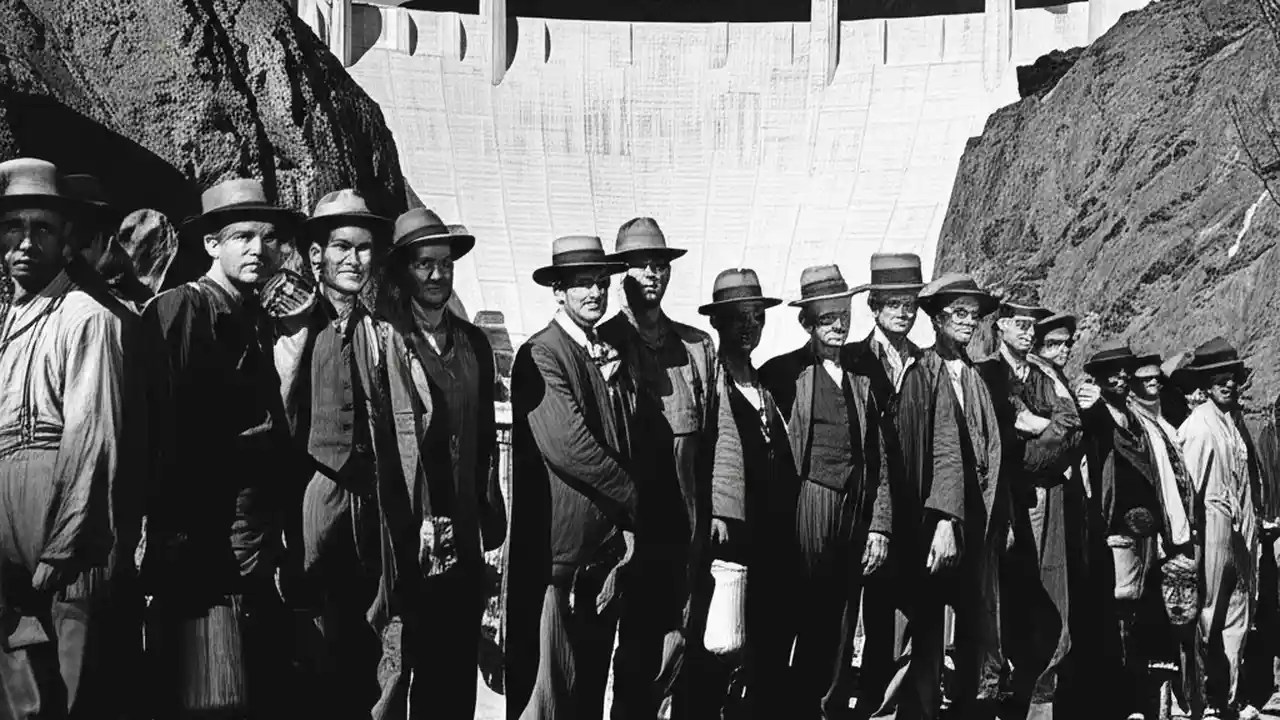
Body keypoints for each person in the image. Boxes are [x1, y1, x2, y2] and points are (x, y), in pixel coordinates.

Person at [140, 177, 305, 719]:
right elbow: (162, 437)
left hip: (249, 556)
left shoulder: (256, 320)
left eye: (267, 236)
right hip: (202, 557)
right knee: (212, 698)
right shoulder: (180, 312)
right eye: (241, 236)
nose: (258, 248)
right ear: (212, 243)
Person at [0, 158, 127, 720]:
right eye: (13, 227)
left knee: (71, 680)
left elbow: (92, 433)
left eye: (42, 228)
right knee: (16, 681)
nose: (26, 243)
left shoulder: (86, 317)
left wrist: (65, 540)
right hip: (4, 504)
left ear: (65, 237)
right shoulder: (5, 324)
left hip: (56, 508)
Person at [369, 207, 507, 719]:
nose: (436, 275)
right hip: (409, 544)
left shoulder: (473, 343)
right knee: (399, 676)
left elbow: (487, 438)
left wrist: (489, 512)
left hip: (464, 538)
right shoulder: (387, 341)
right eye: (424, 264)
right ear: (405, 271)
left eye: (444, 264)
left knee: (454, 680)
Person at [504, 235, 636, 720]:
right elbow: (571, 448)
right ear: (558, 291)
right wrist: (634, 498)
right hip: (557, 561)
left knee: (586, 694)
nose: (594, 293)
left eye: (601, 283)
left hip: (599, 558)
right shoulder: (541, 354)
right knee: (547, 695)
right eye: (582, 284)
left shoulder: (600, 352)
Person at [272, 189, 392, 718]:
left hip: (366, 502)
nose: (353, 259)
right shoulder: (291, 321)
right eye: (340, 246)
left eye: (363, 248)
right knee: (304, 635)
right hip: (308, 493)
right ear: (316, 253)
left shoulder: (378, 332)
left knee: (359, 634)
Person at [596, 217, 720, 719]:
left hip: (681, 534)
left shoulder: (695, 348)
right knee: (621, 661)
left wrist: (721, 516)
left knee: (676, 652)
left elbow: (716, 440)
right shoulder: (600, 343)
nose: (653, 273)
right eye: (641, 265)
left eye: (660, 265)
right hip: (622, 536)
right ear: (620, 273)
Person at [759, 264, 892, 720]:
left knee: (841, 616)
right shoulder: (782, 375)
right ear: (807, 322)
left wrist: (880, 524)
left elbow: (880, 457)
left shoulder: (862, 375)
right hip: (806, 505)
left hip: (856, 507)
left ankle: (827, 706)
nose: (838, 325)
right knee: (799, 610)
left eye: (843, 314)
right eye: (825, 317)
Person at [873, 272, 1006, 720]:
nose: (970, 322)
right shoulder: (924, 368)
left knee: (976, 623)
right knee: (919, 631)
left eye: (976, 315)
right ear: (937, 318)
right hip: (933, 523)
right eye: (960, 313)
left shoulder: (975, 376)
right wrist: (943, 518)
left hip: (975, 521)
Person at [978, 300, 1083, 720]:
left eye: (1032, 325)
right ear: (1001, 326)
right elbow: (997, 434)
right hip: (1002, 495)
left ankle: (1037, 694)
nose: (1028, 332)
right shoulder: (986, 373)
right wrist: (1040, 434)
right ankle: (996, 692)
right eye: (1020, 324)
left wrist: (1038, 428)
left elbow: (1072, 430)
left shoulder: (1045, 376)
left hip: (1043, 496)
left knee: (1045, 588)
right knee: (1002, 591)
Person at [699, 268, 797, 718]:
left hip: (774, 543)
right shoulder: (711, 384)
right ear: (718, 323)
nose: (748, 328)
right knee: (719, 649)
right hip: (731, 543)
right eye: (738, 318)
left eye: (756, 318)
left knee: (768, 649)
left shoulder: (766, 387)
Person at [845, 252, 925, 716]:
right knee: (856, 627)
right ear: (873, 307)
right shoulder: (853, 360)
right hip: (863, 515)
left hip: (912, 516)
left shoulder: (924, 363)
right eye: (893, 303)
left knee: (905, 627)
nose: (903, 311)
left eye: (910, 302)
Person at [1075, 345, 1168, 720]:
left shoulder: (1130, 417)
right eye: (1112, 372)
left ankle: (1131, 696)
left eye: (1124, 371)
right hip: (1113, 529)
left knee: (1135, 615)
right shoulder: (1097, 417)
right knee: (1115, 613)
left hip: (1141, 534)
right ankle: (1112, 699)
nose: (1121, 378)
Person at [1177, 337, 1260, 720]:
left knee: (1239, 612)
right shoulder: (1199, 426)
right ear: (1206, 384)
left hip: (1241, 526)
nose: (1227, 385)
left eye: (1232, 379)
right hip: (1211, 521)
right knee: (1208, 610)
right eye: (1219, 379)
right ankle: (1204, 695)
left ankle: (1229, 695)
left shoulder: (1233, 425)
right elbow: (1188, 484)